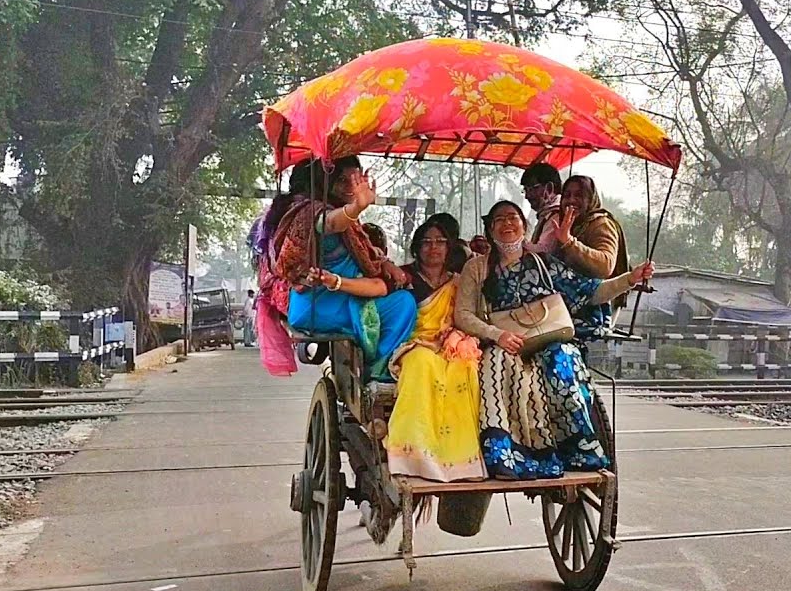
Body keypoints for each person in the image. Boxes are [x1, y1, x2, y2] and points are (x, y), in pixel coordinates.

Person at [455, 201, 655, 480]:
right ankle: (505, 456)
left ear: (524, 227)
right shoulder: (476, 268)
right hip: (501, 344)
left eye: (513, 218)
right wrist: (497, 335)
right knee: (496, 364)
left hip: (548, 341)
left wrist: (630, 279)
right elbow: (462, 315)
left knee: (563, 358)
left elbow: (592, 292)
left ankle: (576, 449)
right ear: (490, 230)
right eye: (499, 219)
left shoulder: (544, 263)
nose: (507, 224)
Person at [255, 156, 417, 380]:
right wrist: (357, 206)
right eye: (343, 180)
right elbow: (330, 222)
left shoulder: (343, 220)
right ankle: (378, 373)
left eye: (356, 180)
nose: (351, 187)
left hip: (322, 304)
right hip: (321, 306)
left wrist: (385, 263)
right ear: (325, 182)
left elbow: (369, 254)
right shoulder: (312, 213)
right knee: (404, 304)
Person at [384, 216, 485, 482]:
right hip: (414, 344)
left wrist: (455, 336)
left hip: (451, 344)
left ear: (449, 248)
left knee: (466, 367)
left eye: (440, 242)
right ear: (416, 248)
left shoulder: (459, 282)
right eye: (427, 242)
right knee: (420, 362)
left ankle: (462, 460)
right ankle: (415, 456)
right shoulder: (401, 276)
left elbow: (469, 316)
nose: (434, 247)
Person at [555, 175, 630, 282]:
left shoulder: (601, 224)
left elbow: (606, 265)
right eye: (567, 195)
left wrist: (569, 242)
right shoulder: (567, 225)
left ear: (590, 200)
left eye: (579, 195)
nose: (571, 200)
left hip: (596, 296)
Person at [520, 162, 563, 254]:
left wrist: (515, 243)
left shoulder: (557, 215)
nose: (527, 196)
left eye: (531, 189)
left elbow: (544, 251)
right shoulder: (546, 214)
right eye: (525, 190)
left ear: (549, 188)